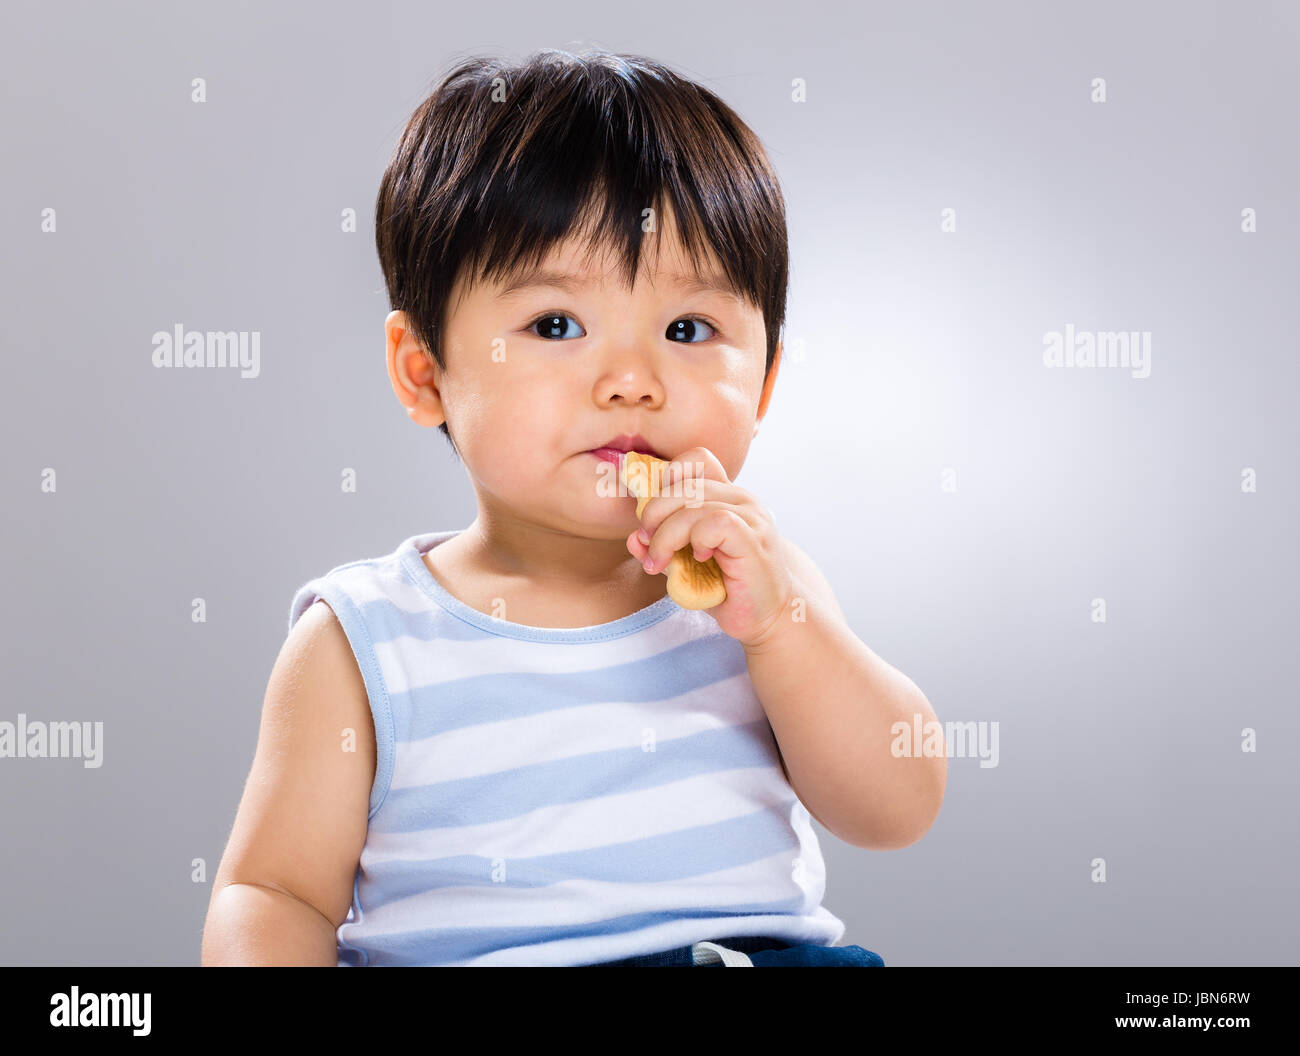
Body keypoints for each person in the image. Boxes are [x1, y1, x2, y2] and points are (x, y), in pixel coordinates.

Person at [201, 47, 943, 967]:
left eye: (688, 329)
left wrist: (783, 629)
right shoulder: (366, 641)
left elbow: (896, 808)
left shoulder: (760, 595)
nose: (631, 381)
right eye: (555, 326)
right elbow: (274, 893)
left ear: (765, 379)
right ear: (423, 371)